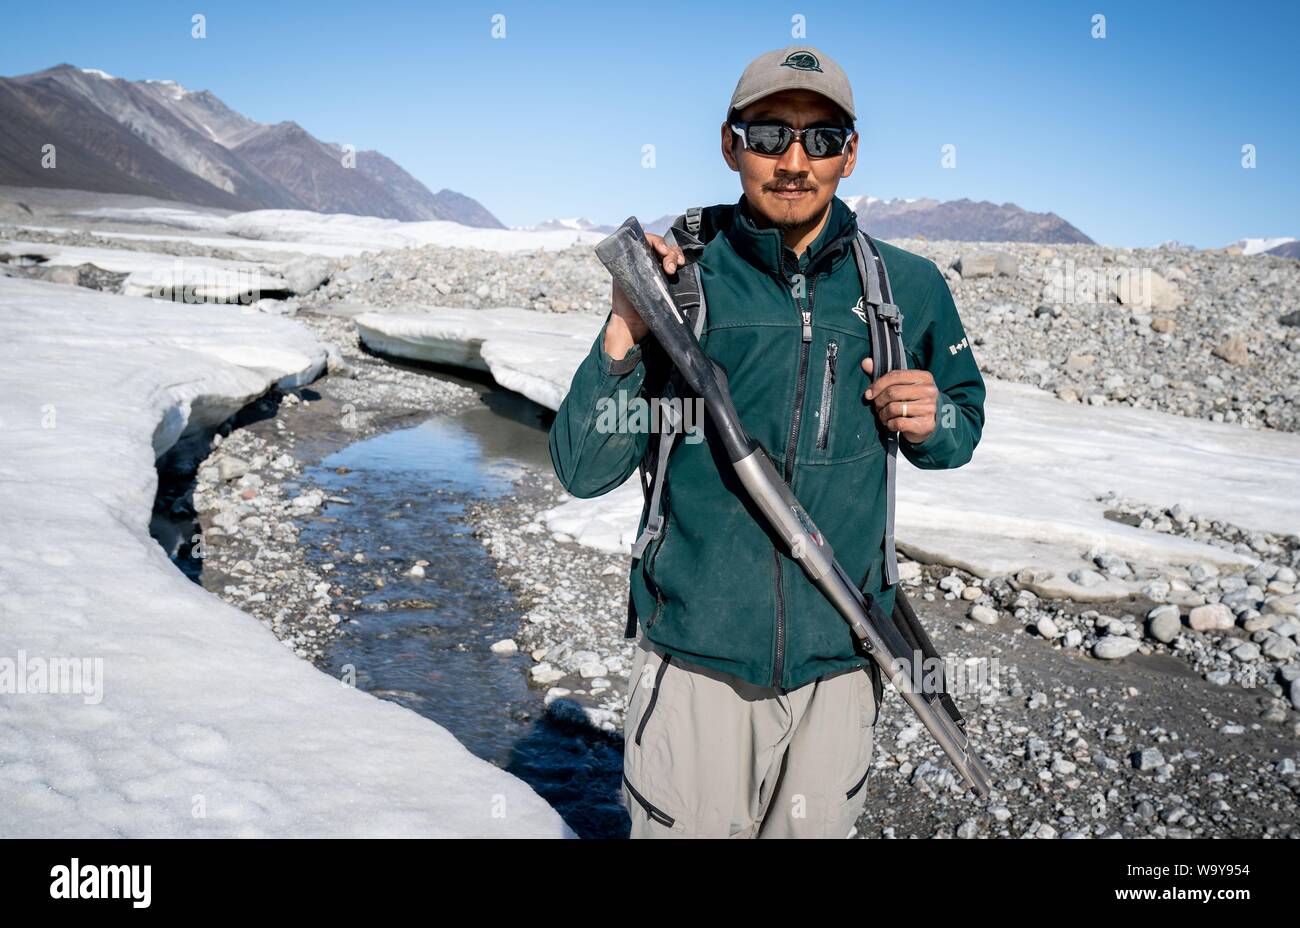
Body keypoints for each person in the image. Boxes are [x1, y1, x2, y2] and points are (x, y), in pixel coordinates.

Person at [549, 45, 986, 838]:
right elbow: (582, 468)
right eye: (768, 134)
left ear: (849, 155)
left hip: (844, 664)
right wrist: (624, 328)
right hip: (695, 666)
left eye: (820, 139)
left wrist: (935, 421)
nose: (793, 161)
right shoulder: (679, 278)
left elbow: (960, 426)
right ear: (729, 144)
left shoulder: (907, 288)